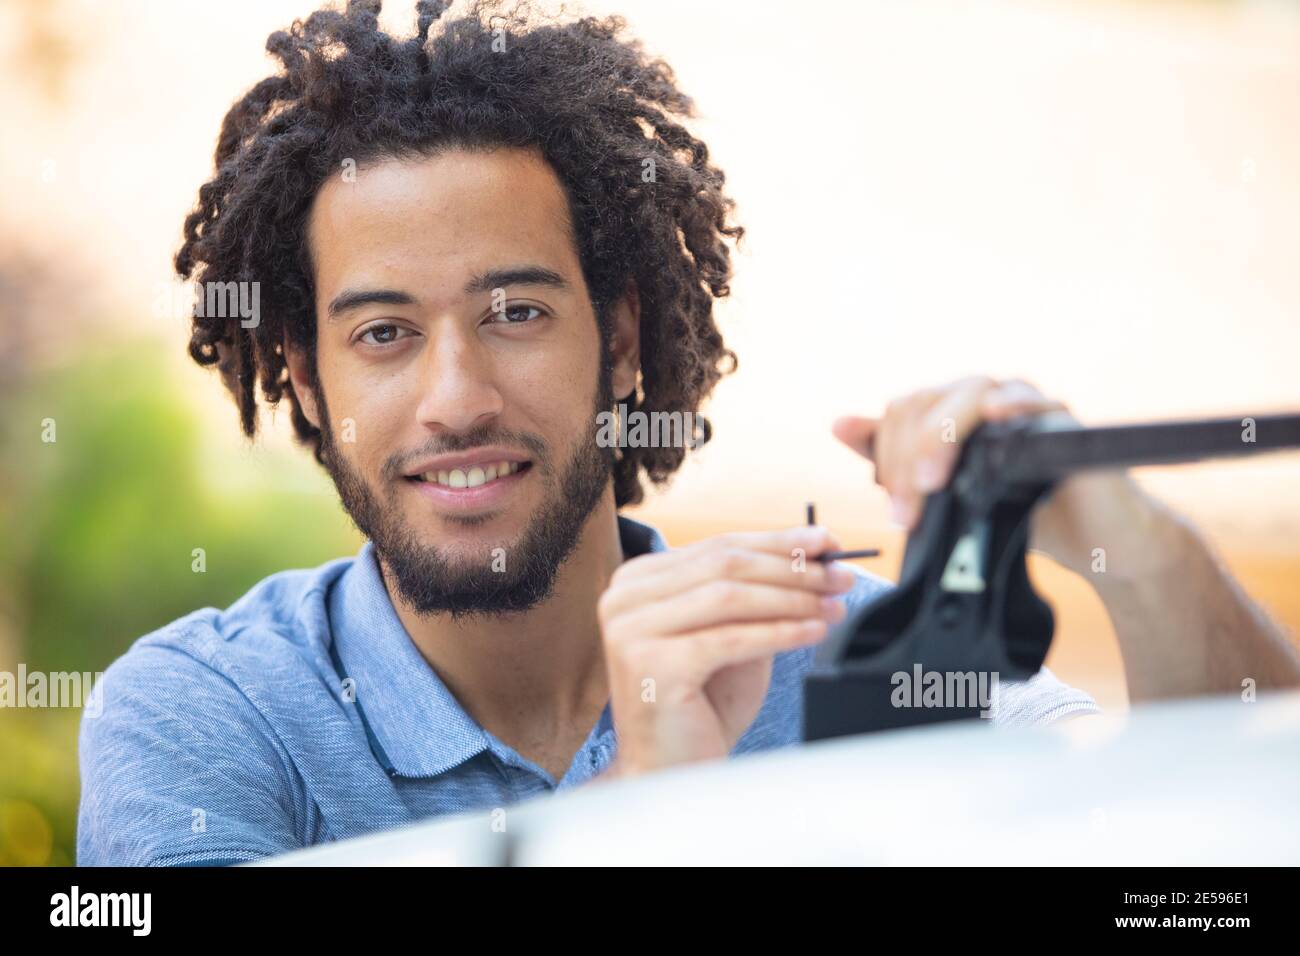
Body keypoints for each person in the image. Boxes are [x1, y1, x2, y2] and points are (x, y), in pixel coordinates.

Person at [77, 0, 1299, 865]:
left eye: (515, 310)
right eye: (383, 333)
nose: (453, 395)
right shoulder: (204, 714)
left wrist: (1133, 548)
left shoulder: (847, 661)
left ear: (618, 343)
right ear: (302, 376)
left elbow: (1220, 851)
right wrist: (644, 809)